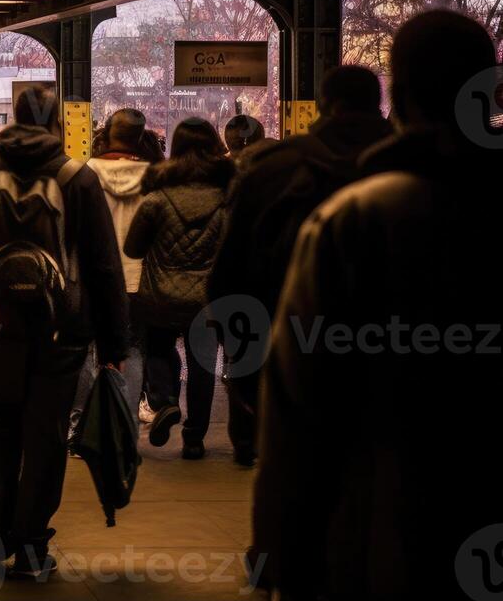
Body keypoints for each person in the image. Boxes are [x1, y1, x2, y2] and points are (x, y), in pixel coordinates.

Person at [253, 11, 502, 601]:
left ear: (400, 91)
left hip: (379, 535)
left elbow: (298, 397)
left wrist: (283, 559)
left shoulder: (355, 217)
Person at [0, 85, 130, 577]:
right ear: (57, 124)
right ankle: (31, 543)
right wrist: (113, 342)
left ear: (10, 120)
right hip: (61, 332)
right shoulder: (76, 177)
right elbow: (104, 265)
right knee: (46, 436)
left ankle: (1, 523)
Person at [207, 65, 392, 466]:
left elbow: (231, 268)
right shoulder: (433, 169)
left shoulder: (274, 168)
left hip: (294, 348)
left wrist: (239, 359)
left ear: (323, 105)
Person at [122, 117, 234, 461]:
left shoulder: (157, 198)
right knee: (202, 365)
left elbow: (133, 249)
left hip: (160, 294)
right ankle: (194, 439)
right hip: (208, 297)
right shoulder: (226, 197)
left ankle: (166, 401)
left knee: (158, 349)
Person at [75, 108, 157, 420]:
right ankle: (125, 429)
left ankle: (85, 425)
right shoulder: (152, 177)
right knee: (133, 349)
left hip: (93, 278)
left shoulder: (85, 174)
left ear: (108, 133)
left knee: (90, 351)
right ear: (139, 137)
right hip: (139, 279)